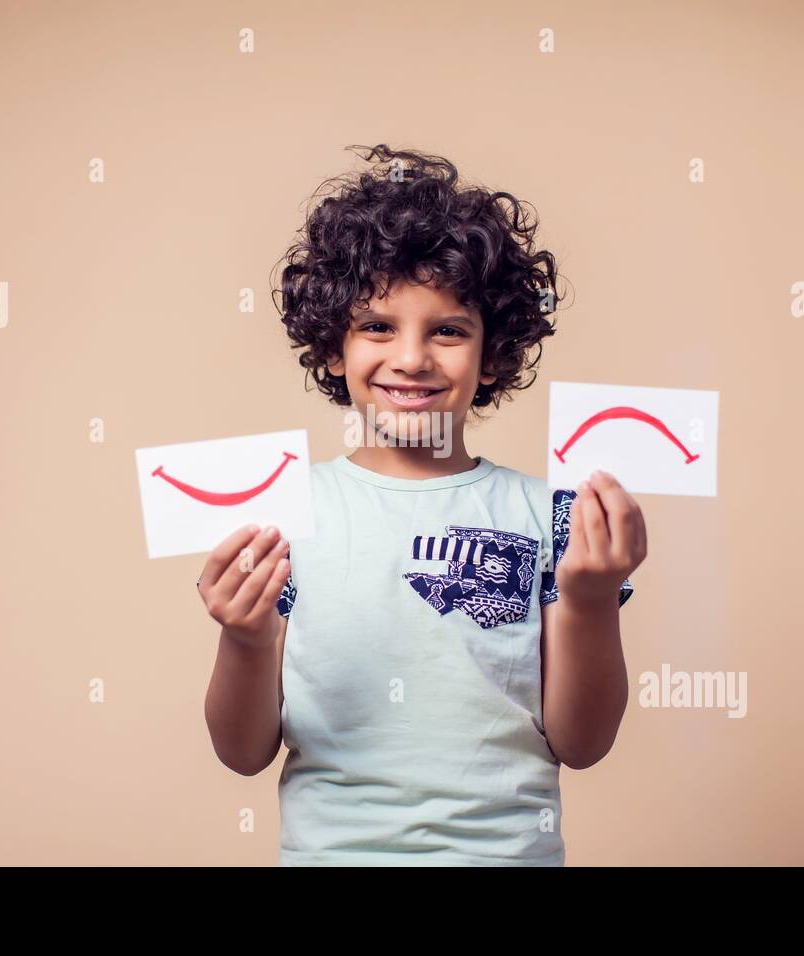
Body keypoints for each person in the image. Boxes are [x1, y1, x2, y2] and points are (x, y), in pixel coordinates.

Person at [198, 144, 647, 865]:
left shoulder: (555, 518)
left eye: (448, 329)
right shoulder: (283, 510)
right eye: (377, 326)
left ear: (493, 353)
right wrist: (245, 640)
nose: (411, 358)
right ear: (333, 348)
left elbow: (582, 744)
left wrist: (590, 599)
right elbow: (242, 752)